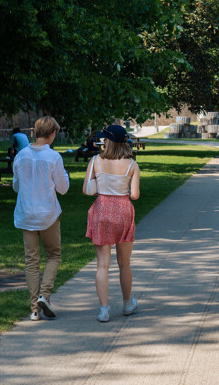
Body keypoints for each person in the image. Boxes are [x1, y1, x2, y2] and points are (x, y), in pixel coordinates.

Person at [13, 116, 69, 321]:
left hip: (26, 213)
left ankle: (34, 308)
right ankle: (45, 294)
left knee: (31, 260)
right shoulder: (54, 157)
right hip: (48, 214)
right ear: (53, 133)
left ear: (34, 132)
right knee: (54, 255)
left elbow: (16, 186)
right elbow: (63, 188)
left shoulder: (21, 156)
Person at [83, 124, 140, 322]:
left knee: (102, 266)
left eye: (104, 139)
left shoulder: (95, 161)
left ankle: (104, 310)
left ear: (109, 142)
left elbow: (86, 190)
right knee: (124, 264)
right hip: (123, 211)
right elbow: (134, 195)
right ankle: (127, 304)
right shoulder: (132, 165)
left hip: (102, 210)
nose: (102, 141)